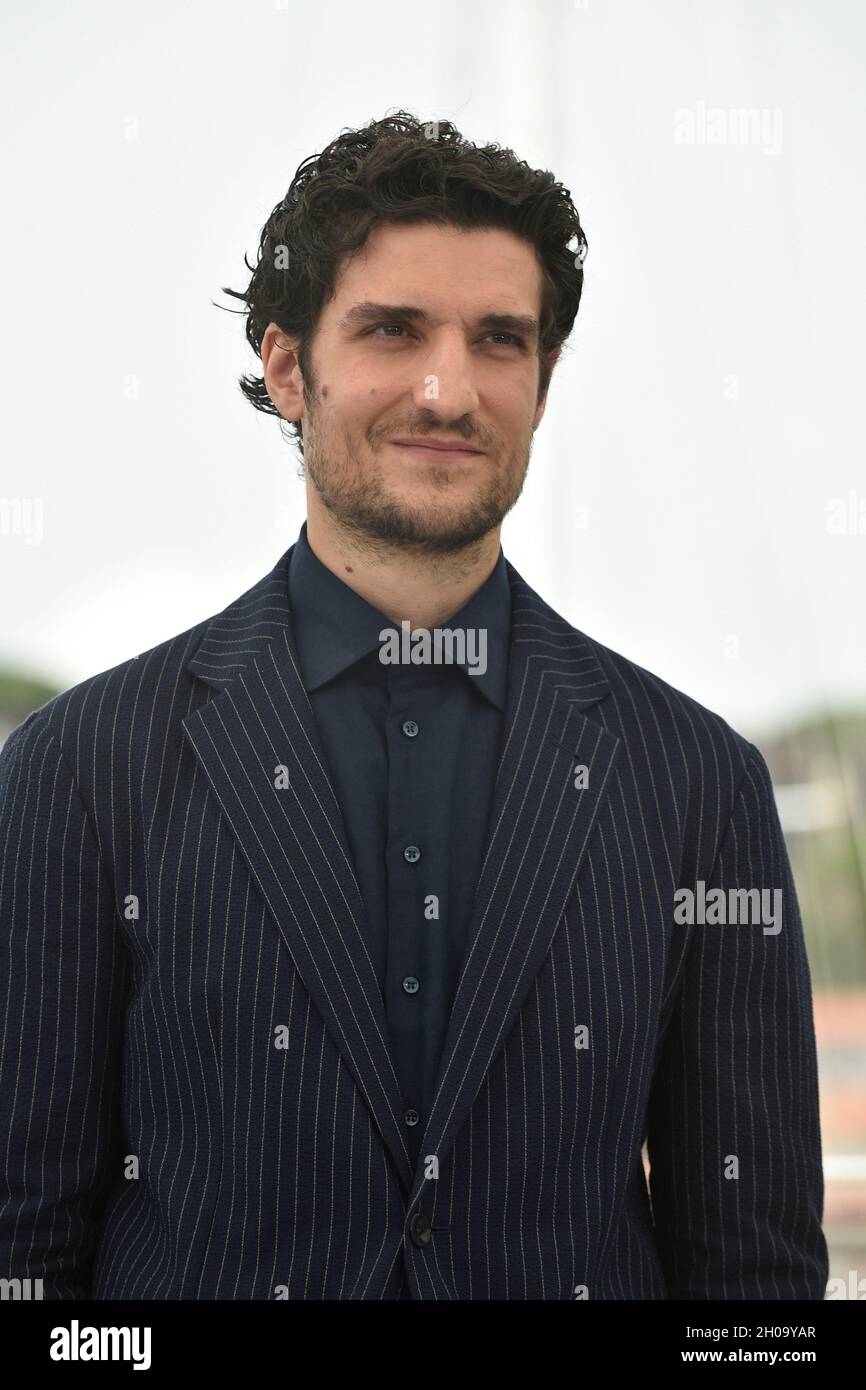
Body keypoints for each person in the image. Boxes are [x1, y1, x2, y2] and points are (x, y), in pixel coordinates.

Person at [0, 110, 828, 1300]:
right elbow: (20, 1249)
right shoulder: (81, 766)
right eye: (393, 330)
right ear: (289, 368)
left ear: (540, 380)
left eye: (498, 339)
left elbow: (751, 1277)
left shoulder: (697, 780)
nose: (449, 389)